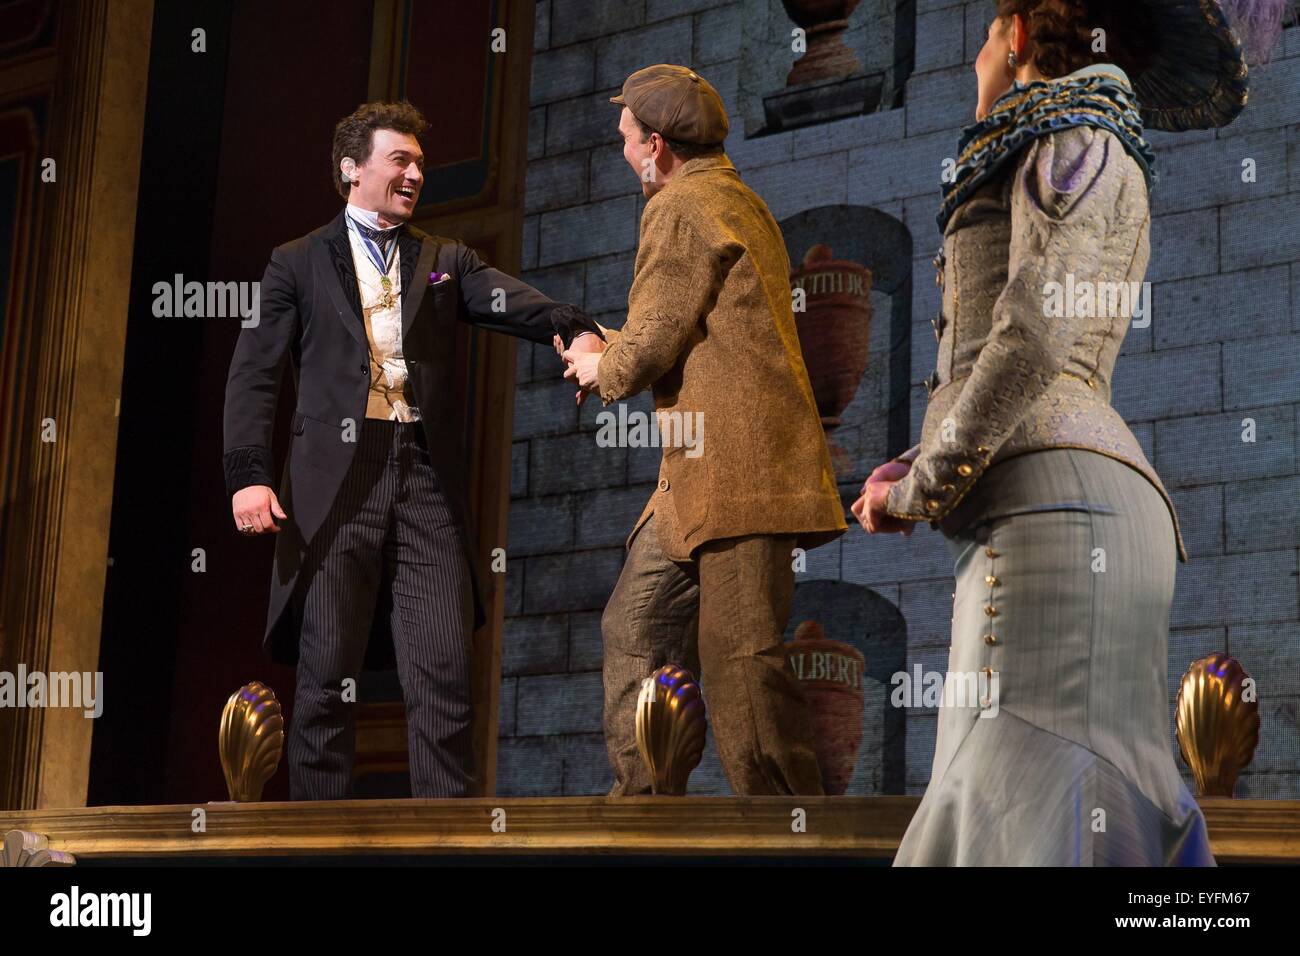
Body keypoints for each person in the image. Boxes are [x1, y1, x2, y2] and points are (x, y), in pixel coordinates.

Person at [853, 0, 1260, 865]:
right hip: (1081, 509)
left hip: (1049, 524)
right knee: (1085, 798)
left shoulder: (1072, 134)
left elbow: (1035, 330)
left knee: (1022, 797)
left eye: (985, 38)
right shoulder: (1089, 137)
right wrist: (925, 457)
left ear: (1023, 40)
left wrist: (927, 487)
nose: (974, 62)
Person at [223, 100, 601, 800]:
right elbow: (253, 375)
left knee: (444, 672)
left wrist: (572, 327)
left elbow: (504, 301)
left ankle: (446, 845)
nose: (416, 173)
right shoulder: (297, 263)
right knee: (326, 676)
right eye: (401, 159)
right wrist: (248, 476)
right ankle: (315, 850)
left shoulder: (441, 259)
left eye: (421, 163)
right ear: (351, 169)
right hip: (337, 480)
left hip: (422, 475)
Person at [562, 65, 847, 796]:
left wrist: (606, 366)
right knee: (638, 627)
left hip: (737, 474)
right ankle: (646, 807)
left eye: (627, 140)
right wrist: (610, 345)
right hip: (694, 482)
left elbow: (655, 341)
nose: (625, 154)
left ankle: (794, 835)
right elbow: (696, 333)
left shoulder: (682, 206)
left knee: (742, 670)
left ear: (656, 145)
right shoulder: (732, 199)